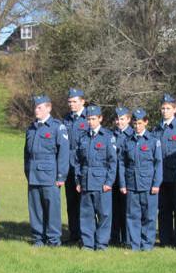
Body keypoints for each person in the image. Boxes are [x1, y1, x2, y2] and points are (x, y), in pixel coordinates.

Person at [25, 94, 70, 246]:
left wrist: (61, 176)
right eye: (35, 107)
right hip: (33, 175)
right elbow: (27, 154)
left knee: (52, 209)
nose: (36, 110)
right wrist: (27, 172)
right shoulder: (31, 128)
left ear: (48, 108)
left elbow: (63, 153)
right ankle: (38, 238)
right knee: (35, 209)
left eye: (39, 107)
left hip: (50, 176)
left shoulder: (57, 127)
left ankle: (53, 239)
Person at [118, 108, 162, 251]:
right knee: (132, 216)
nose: (137, 126)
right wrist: (123, 184)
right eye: (135, 124)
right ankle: (135, 244)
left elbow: (158, 163)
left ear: (146, 123)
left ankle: (147, 244)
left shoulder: (153, 141)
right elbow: (122, 163)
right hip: (132, 184)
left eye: (140, 123)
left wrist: (156, 184)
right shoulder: (127, 141)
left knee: (149, 216)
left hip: (148, 185)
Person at [75, 105, 117, 250]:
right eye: (88, 119)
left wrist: (109, 182)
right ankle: (88, 244)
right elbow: (78, 161)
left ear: (100, 119)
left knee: (104, 215)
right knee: (86, 215)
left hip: (102, 183)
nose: (90, 122)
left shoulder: (107, 137)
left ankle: (101, 244)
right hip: (86, 182)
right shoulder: (83, 137)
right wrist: (78, 180)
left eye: (93, 119)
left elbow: (113, 162)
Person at [153, 93, 176, 247]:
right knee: (163, 210)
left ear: (175, 109)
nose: (164, 111)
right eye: (163, 108)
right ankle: (164, 239)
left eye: (168, 108)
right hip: (161, 176)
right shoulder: (156, 129)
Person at [63, 88, 88, 244]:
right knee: (71, 203)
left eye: (75, 101)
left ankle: (87, 237)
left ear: (82, 102)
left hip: (84, 167)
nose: (71, 104)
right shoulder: (66, 119)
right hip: (68, 167)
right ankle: (74, 235)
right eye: (70, 102)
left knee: (86, 204)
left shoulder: (89, 118)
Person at [110, 107, 133, 246]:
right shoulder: (110, 135)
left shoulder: (132, 135)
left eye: (122, 119)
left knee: (127, 209)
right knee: (113, 209)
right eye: (117, 119)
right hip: (113, 178)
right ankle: (114, 238)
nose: (119, 122)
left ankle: (127, 238)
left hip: (127, 177)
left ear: (129, 120)